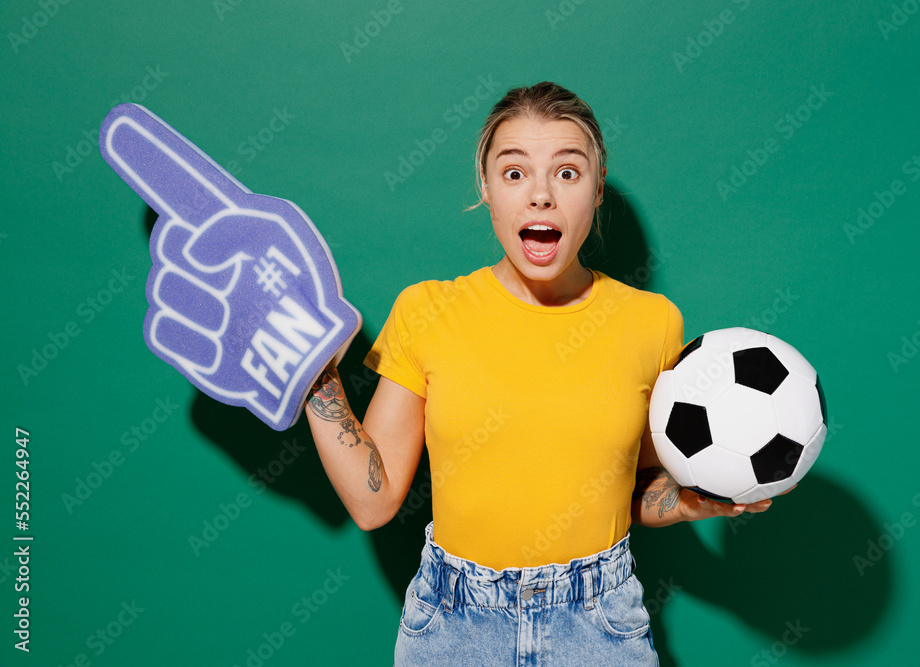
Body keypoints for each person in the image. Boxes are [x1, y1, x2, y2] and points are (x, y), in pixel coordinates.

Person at [305, 81, 776, 666]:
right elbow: (373, 503)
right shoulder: (427, 312)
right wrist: (315, 376)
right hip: (455, 625)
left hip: (599, 625)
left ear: (598, 189)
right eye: (514, 173)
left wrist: (683, 503)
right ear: (487, 189)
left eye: (568, 173)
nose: (541, 196)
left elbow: (624, 492)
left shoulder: (652, 324)